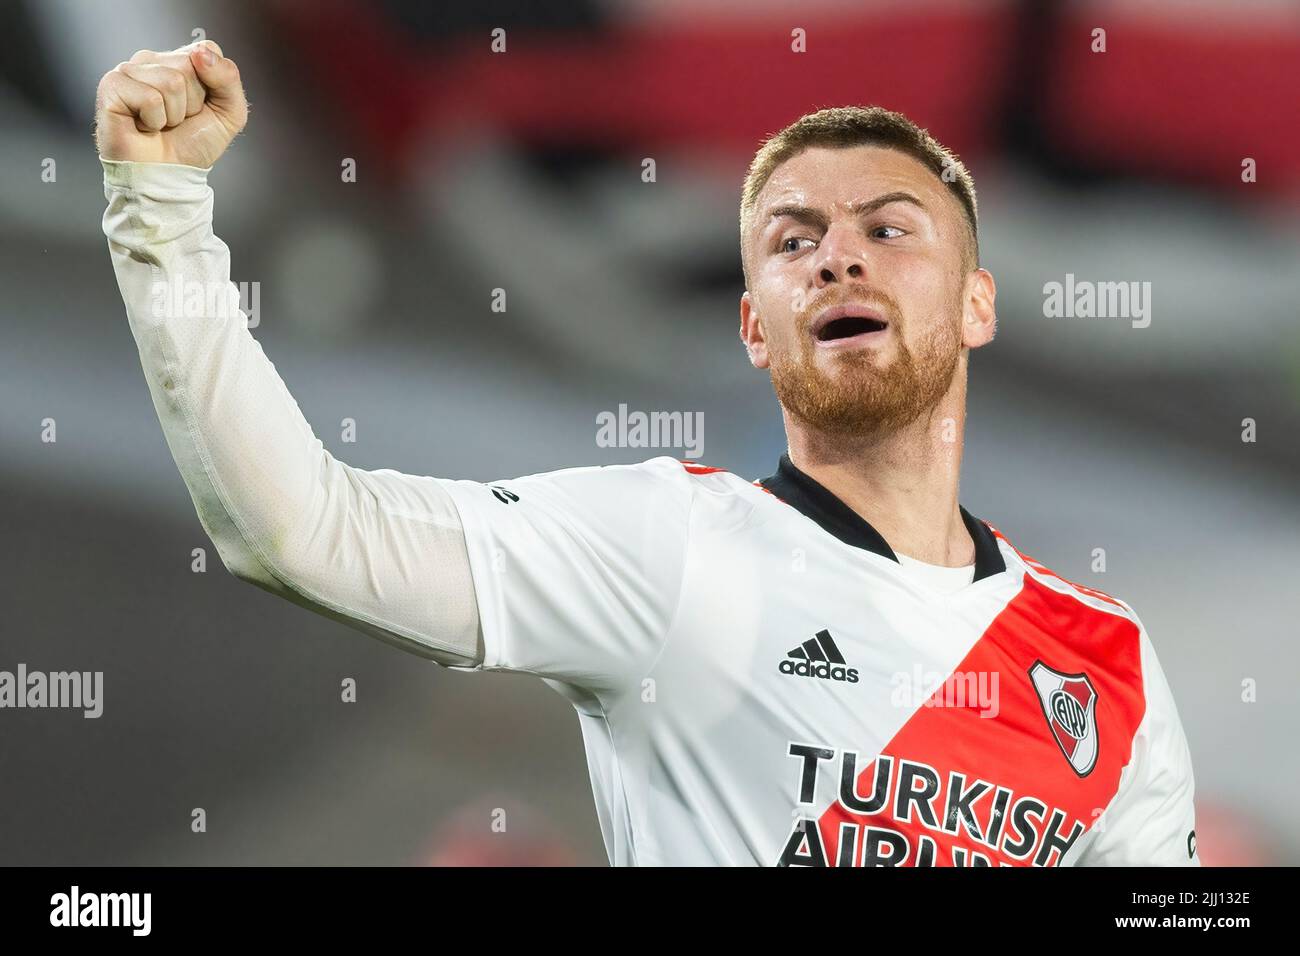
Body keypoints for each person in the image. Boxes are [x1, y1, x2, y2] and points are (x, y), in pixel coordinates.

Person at [96, 41, 1200, 867]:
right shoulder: (665, 543)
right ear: (753, 325)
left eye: (890, 227)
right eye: (793, 240)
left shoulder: (1105, 661)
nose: (837, 260)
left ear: (975, 305)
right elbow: (305, 531)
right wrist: (161, 211)